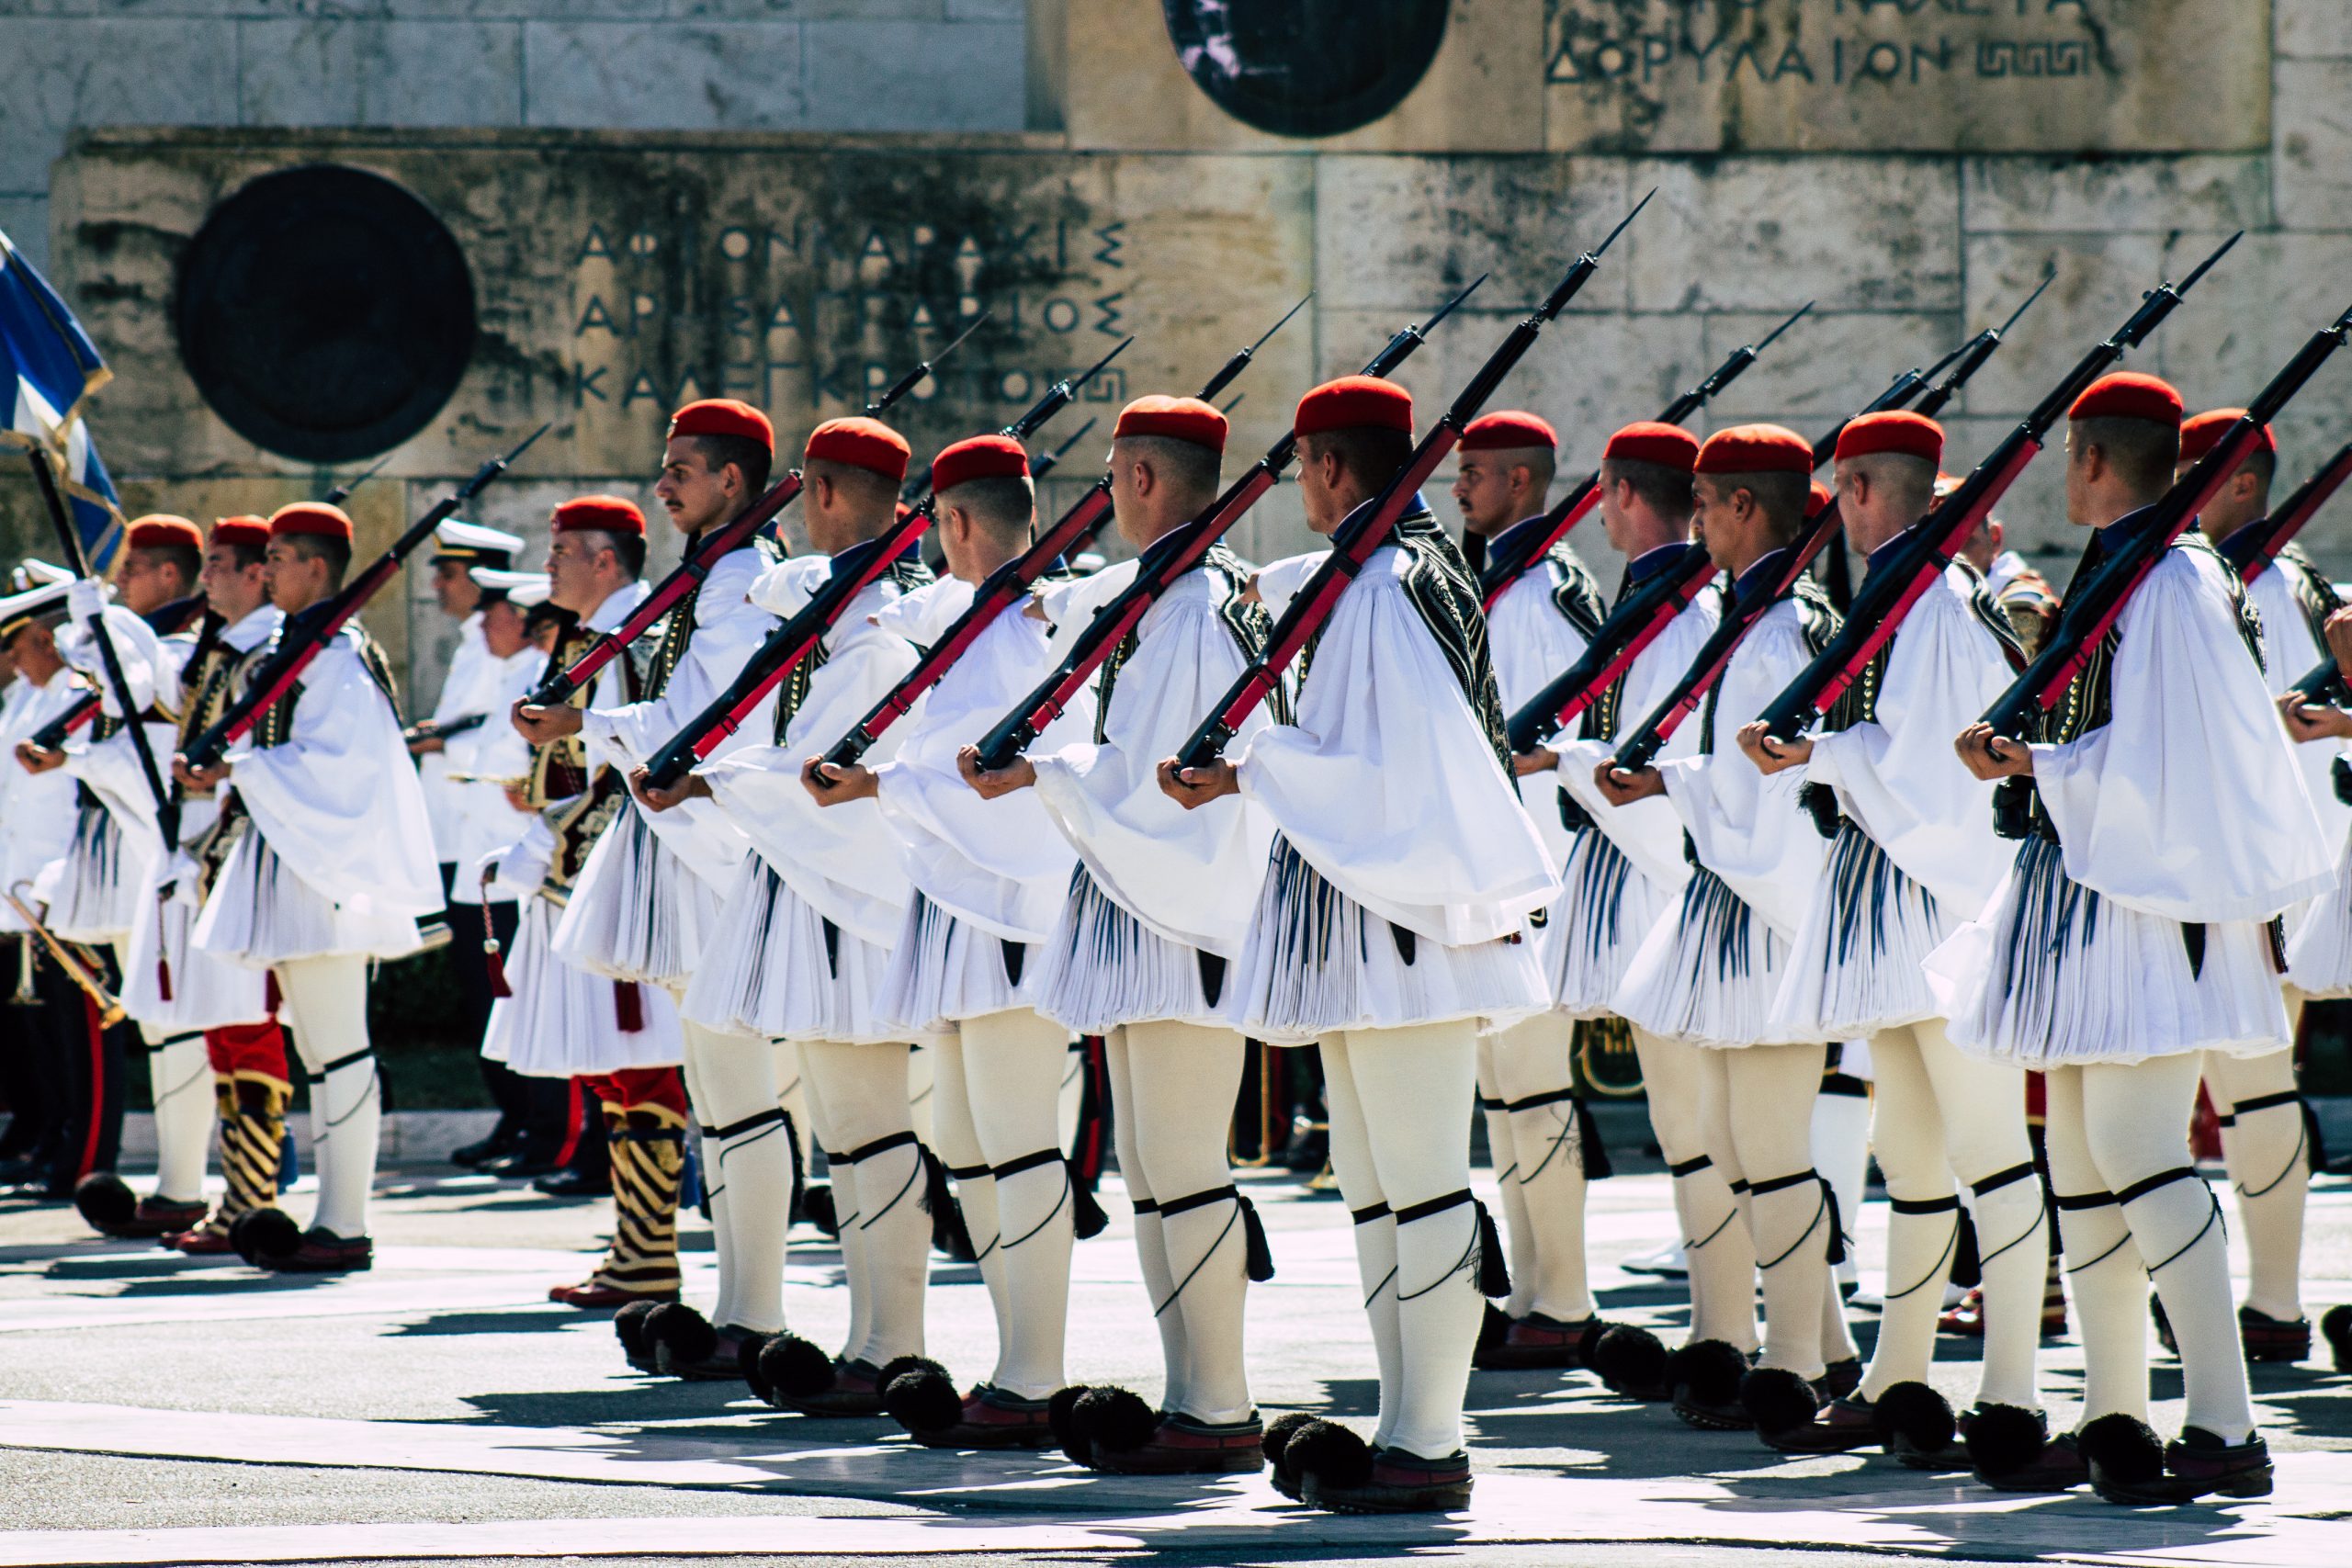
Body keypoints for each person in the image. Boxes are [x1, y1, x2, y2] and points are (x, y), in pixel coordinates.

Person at [1161, 375, 1558, 1513]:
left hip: (1405, 919)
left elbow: (1403, 771)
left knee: (1423, 1184)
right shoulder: (1385, 573)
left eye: (1299, 467)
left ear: (1333, 469)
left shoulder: (1390, 585)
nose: (1296, 488)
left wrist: (1254, 770)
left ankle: (1428, 1440)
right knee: (1382, 1187)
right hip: (1373, 916)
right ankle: (1402, 1426)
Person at [1935, 371, 2327, 1503]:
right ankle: (2117, 1415)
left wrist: (2034, 761)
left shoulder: (2170, 583)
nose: (2065, 475)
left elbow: (2175, 764)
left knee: (2145, 1158)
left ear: (2094, 460)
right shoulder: (2138, 569)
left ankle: (2225, 1423)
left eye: (2070, 456)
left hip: (2142, 904)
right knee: (2088, 1165)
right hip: (2090, 895)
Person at [960, 394, 1279, 1471]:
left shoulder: (1192, 608)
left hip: (1183, 901)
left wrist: (1039, 774)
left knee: (1183, 1163)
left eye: (1111, 472)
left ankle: (1219, 1406)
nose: (1104, 493)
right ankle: (1192, 1395)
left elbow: (1156, 779)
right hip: (1153, 903)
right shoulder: (1172, 592)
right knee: (1152, 1163)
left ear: (1142, 479)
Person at [1732, 411, 2046, 1457]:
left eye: (1844, 492)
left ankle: (2011, 1390)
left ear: (1863, 491)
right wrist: (1822, 752)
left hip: (1940, 904)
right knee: (1909, 1156)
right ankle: (1897, 1375)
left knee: (1990, 1155)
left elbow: (1931, 774)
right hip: (1894, 908)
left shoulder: (1936, 609)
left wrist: (1816, 754)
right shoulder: (1899, 599)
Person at [804, 433, 1097, 1450]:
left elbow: (998, 783)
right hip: (960, 911)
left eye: (935, 522)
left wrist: (882, 781)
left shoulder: (1020, 628)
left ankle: (1035, 1372)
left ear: (958, 523)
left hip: (1010, 913)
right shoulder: (973, 618)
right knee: (972, 1145)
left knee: (1017, 1143)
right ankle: (1011, 1362)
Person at [648, 416, 937, 1416]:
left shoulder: (876, 617)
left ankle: (891, 1344)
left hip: (846, 895)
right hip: (811, 887)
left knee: (866, 1125)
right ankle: (869, 1339)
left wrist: (709, 780)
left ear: (815, 495)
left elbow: (824, 766)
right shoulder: (842, 601)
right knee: (847, 1128)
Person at [1597, 426, 1854, 1430]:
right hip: (1729, 898)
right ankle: (1820, 1347)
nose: (1692, 519)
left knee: (1770, 1141)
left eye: (1705, 502)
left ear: (1745, 507)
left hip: (1770, 903)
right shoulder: (1753, 619)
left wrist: (1671, 785)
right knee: (1723, 1135)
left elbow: (1777, 786)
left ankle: (1789, 1359)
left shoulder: (1783, 628)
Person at [530, 400, 786, 1376]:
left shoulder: (739, 584)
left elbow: (705, 718)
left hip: (722, 852)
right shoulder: (697, 581)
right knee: (720, 1098)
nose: (662, 482)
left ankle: (752, 1310)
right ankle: (737, 1304)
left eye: (681, 468)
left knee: (742, 1096)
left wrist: (590, 726)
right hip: (686, 854)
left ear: (732, 481)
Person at [1518, 423, 1733, 1394]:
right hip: (1643, 889)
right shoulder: (1652, 601)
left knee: (1696, 1129)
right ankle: (1717, 1325)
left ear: (1616, 494)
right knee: (1688, 1122)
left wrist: (1561, 760)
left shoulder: (1681, 613)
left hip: (1671, 894)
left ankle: (1723, 1332)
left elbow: (1657, 776)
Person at [176, 502, 442, 1273]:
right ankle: (332, 1215)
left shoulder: (336, 654)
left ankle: (343, 1221)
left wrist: (239, 767)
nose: (268, 571)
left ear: (318, 567)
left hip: (322, 870)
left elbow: (341, 765)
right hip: (289, 863)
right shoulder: (299, 644)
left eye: (282, 557)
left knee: (337, 1045)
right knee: (319, 1046)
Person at [485, 497, 689, 1310]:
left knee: (640, 1067)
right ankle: (636, 1248)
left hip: (614, 870)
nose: (548, 564)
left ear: (607, 559)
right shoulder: (587, 634)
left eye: (563, 550)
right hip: (581, 867)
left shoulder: (631, 635)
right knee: (614, 1071)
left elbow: (630, 767)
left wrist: (551, 844)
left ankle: (649, 1254)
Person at [1447, 410, 1611, 1371]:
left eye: (1472, 473)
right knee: (1508, 1095)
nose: (1459, 488)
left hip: (1530, 879)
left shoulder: (1536, 595)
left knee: (1533, 1089)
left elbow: (1537, 758)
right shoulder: (1500, 583)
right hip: (1502, 879)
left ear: (1519, 482)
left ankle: (1567, 1295)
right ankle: (1534, 1288)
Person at [2182, 408, 2336, 1367]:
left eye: (2195, 472)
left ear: (2241, 482)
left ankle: (2272, 1301)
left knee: (2251, 1087)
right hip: (2270, 873)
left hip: (2267, 878)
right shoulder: (2275, 582)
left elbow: (2278, 742)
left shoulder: (2265, 589)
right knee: (2244, 1087)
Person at [19, 515, 208, 1238]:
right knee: (163, 1025)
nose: (122, 583)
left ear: (168, 575)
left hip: (171, 857)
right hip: (137, 855)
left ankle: (213, 1182)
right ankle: (179, 1182)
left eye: (132, 571)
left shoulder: (180, 654)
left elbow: (154, 750)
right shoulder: (145, 658)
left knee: (189, 1023)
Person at [130, 517, 298, 1256]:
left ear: (261, 572)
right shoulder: (219, 647)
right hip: (202, 850)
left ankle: (254, 1198)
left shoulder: (268, 651)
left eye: (222, 566)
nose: (207, 579)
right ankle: (241, 1198)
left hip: (239, 854)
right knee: (224, 1032)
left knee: (247, 1025)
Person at [415, 519, 531, 1169]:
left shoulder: (501, 643)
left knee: (506, 992)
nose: (438, 584)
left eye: (450, 573)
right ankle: (515, 1119)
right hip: (467, 842)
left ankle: (532, 1122)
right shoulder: (475, 643)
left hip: (497, 841)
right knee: (485, 997)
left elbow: (497, 735)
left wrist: (442, 741)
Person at [0, 577, 95, 1201]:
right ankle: (47, 1132)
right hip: (21, 891)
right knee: (35, 1031)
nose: (12, 660)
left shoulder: (74, 697)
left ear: (45, 638)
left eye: (18, 646)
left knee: (67, 1033)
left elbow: (73, 799)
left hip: (55, 888)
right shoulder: (26, 699)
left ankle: (68, 1140)